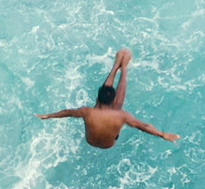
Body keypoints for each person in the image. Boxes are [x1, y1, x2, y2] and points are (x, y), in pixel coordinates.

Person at [36, 48, 179, 148]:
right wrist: (162, 134)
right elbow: (143, 126)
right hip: (109, 145)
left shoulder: (87, 111)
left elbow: (67, 112)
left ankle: (116, 66)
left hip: (90, 141)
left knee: (104, 109)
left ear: (98, 98)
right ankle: (124, 68)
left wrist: (48, 115)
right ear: (112, 99)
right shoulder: (121, 115)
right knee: (117, 108)